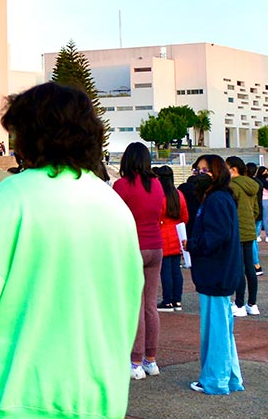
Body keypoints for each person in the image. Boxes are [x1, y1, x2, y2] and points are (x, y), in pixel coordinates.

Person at [0, 82, 142, 419]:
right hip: (100, 399)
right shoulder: (114, 207)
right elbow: (127, 301)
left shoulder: (10, 199)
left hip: (20, 398)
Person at [186, 154, 244, 396]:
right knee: (221, 328)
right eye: (198, 170)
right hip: (218, 273)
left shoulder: (216, 200)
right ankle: (229, 377)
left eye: (206, 170)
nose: (200, 174)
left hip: (215, 273)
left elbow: (217, 236)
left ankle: (215, 379)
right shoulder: (218, 198)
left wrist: (193, 244)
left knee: (216, 329)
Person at [113, 142, 165, 378]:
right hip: (156, 246)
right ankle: (150, 359)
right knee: (150, 305)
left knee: (135, 305)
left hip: (133, 247)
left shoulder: (121, 185)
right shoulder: (156, 184)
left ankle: (134, 362)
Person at [227, 157, 262, 316]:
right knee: (250, 268)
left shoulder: (232, 186)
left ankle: (239, 304)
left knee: (239, 269)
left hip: (237, 230)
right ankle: (252, 304)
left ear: (234, 169)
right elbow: (256, 210)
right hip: (249, 229)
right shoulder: (253, 185)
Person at [156, 165, 189, 312]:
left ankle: (167, 300)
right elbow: (185, 217)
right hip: (176, 234)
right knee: (176, 270)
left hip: (162, 233)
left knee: (165, 270)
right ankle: (177, 300)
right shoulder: (178, 194)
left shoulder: (158, 195)